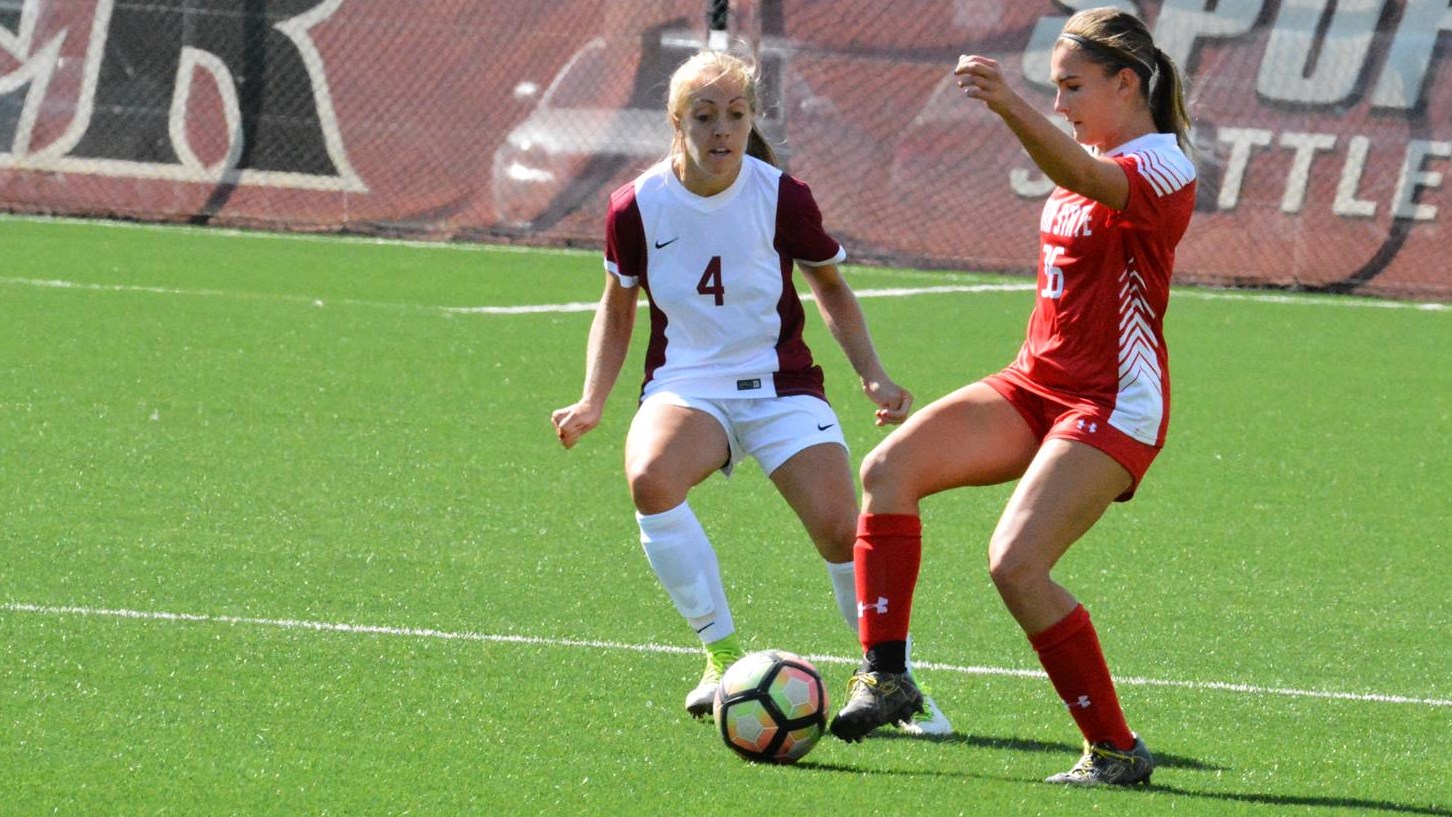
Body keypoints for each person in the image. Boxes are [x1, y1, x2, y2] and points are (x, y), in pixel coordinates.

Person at [826, 7, 1196, 786]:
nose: (1061, 102)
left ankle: (1116, 750)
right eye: (1051, 89)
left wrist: (1006, 103)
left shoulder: (1162, 164)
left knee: (1016, 564)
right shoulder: (1082, 159)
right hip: (1034, 385)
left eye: (1073, 86)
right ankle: (887, 675)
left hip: (1112, 402)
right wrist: (1026, 111)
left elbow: (1089, 177)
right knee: (888, 469)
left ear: (1126, 82)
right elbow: (1076, 179)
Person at [550, 47, 951, 733]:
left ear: (750, 119)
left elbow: (830, 286)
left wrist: (873, 372)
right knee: (650, 478)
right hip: (687, 386)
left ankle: (892, 680)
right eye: (704, 116)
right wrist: (594, 399)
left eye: (735, 115)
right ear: (677, 121)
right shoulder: (636, 207)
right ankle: (720, 655)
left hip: (779, 384)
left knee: (839, 528)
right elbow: (616, 306)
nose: (721, 130)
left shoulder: (780, 195)